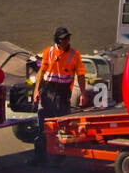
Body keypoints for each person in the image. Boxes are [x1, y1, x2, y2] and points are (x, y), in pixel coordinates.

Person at [29, 27, 88, 164]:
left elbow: (81, 75)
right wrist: (36, 91)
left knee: (61, 127)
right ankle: (39, 157)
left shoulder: (75, 55)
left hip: (62, 94)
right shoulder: (48, 52)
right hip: (47, 91)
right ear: (57, 40)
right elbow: (41, 73)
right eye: (63, 38)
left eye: (68, 38)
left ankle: (59, 157)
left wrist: (83, 93)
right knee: (43, 127)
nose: (67, 40)